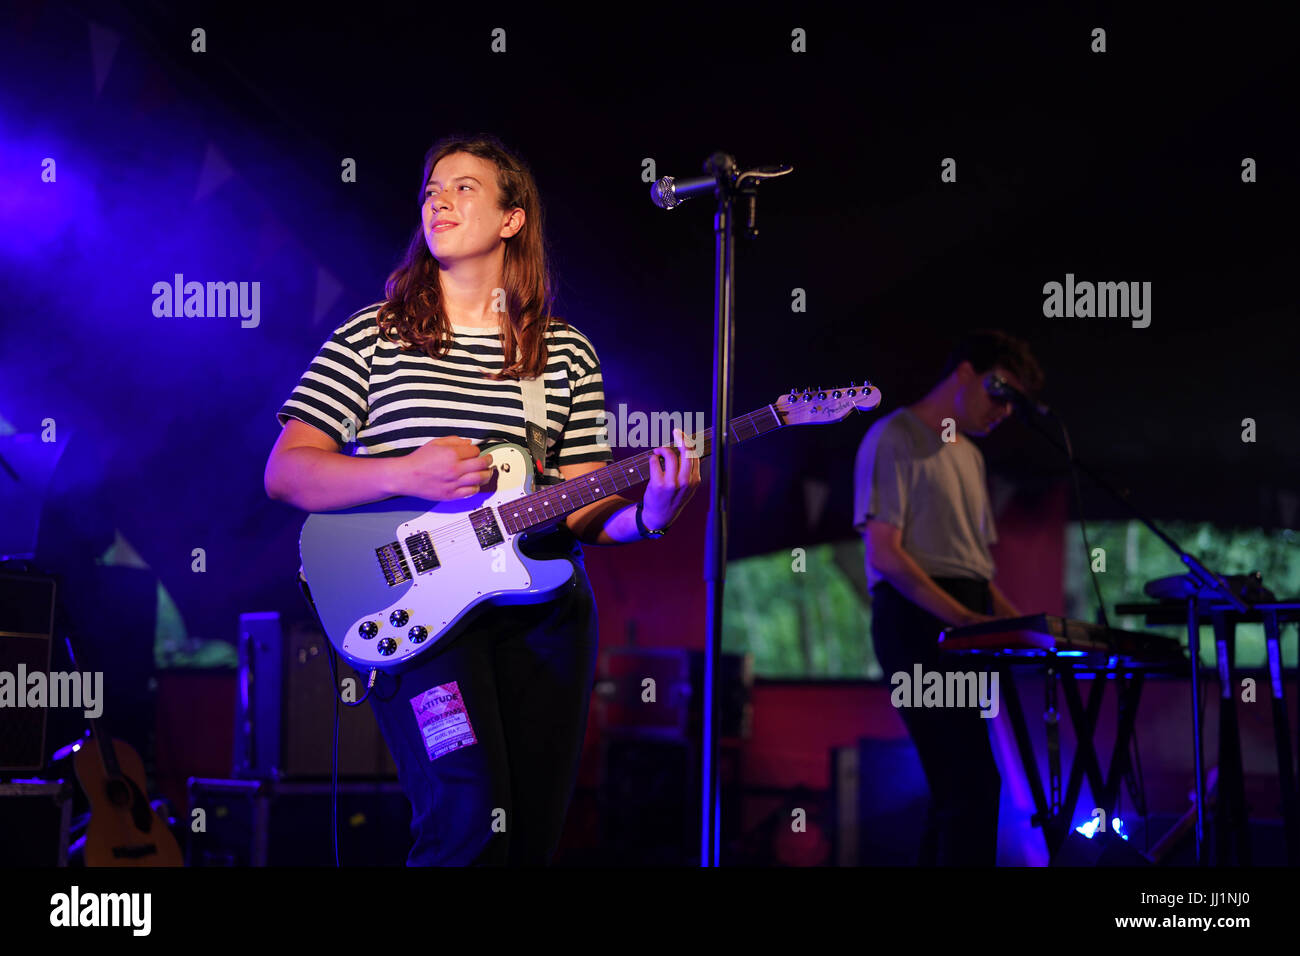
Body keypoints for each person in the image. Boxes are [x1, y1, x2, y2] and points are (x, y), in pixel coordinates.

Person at [264, 134, 700, 865]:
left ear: (512, 220)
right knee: (466, 814)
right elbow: (288, 472)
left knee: (526, 836)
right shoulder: (372, 337)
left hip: (544, 614)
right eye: (432, 187)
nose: (438, 198)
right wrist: (406, 473)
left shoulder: (564, 351)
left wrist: (651, 515)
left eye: (464, 187)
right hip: (418, 608)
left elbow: (582, 505)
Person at [852, 329, 1044, 866]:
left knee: (965, 790)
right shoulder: (894, 436)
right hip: (917, 623)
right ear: (964, 372)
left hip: (963, 624)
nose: (1004, 411)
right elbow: (886, 556)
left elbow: (975, 572)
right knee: (968, 784)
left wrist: (1031, 629)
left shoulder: (972, 458)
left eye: (1014, 403)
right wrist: (966, 620)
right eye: (998, 391)